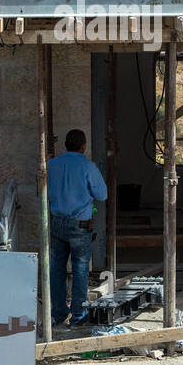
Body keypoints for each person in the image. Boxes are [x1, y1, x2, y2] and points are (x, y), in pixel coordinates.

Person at [47, 128, 108, 326]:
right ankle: (78, 316)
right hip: (80, 227)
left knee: (57, 269)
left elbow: (43, 190)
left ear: (65, 145)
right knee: (80, 270)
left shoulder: (52, 165)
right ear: (83, 146)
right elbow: (102, 195)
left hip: (57, 223)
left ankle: (58, 314)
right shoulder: (88, 167)